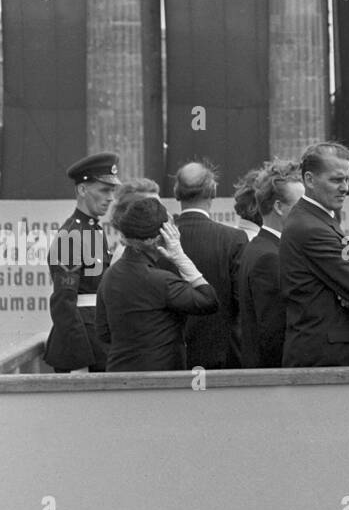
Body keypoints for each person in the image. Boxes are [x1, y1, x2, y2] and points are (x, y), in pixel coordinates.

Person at [281, 142, 349, 367]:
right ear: (309, 180)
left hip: (336, 352)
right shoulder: (311, 228)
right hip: (328, 358)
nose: (345, 187)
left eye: (347, 179)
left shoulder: (322, 221)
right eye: (336, 180)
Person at [94, 195, 219, 372]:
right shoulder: (161, 281)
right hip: (159, 381)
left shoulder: (110, 275)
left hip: (119, 375)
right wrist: (181, 258)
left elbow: (103, 332)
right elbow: (209, 300)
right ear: (160, 237)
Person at [43, 152, 120, 373]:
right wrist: (80, 360)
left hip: (98, 340)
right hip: (85, 349)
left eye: (112, 190)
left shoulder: (93, 230)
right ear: (83, 190)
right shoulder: (71, 236)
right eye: (104, 190)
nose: (110, 197)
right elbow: (64, 303)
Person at [173, 161, 247, 369]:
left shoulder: (158, 240)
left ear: (176, 192)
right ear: (213, 191)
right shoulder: (233, 239)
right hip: (222, 355)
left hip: (170, 358)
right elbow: (243, 300)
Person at [238, 159, 303, 369]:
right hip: (275, 377)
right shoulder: (270, 257)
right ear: (279, 207)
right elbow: (274, 331)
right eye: (300, 206)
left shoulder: (262, 247)